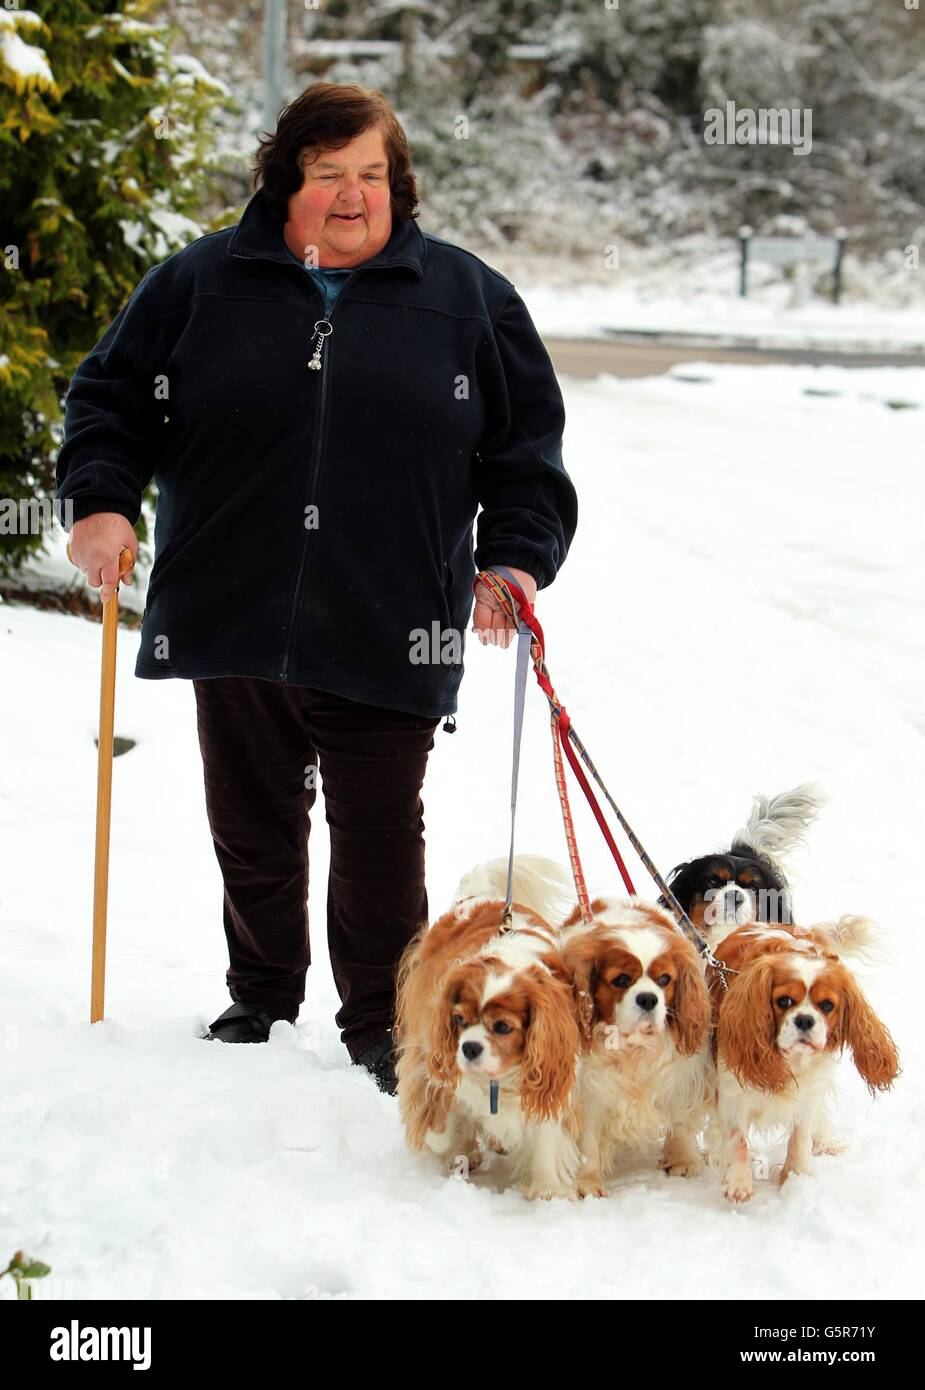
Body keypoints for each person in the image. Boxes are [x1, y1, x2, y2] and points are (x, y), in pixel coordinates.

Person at [55, 82, 578, 1093]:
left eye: (372, 175)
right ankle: (259, 992)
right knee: (250, 816)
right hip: (234, 593)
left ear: (401, 184)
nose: (353, 196)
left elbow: (527, 448)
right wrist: (100, 502)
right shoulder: (200, 283)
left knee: (381, 828)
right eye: (328, 174)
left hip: (390, 611)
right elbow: (109, 398)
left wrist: (514, 559)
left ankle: (383, 1019)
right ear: (283, 180)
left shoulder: (466, 297)